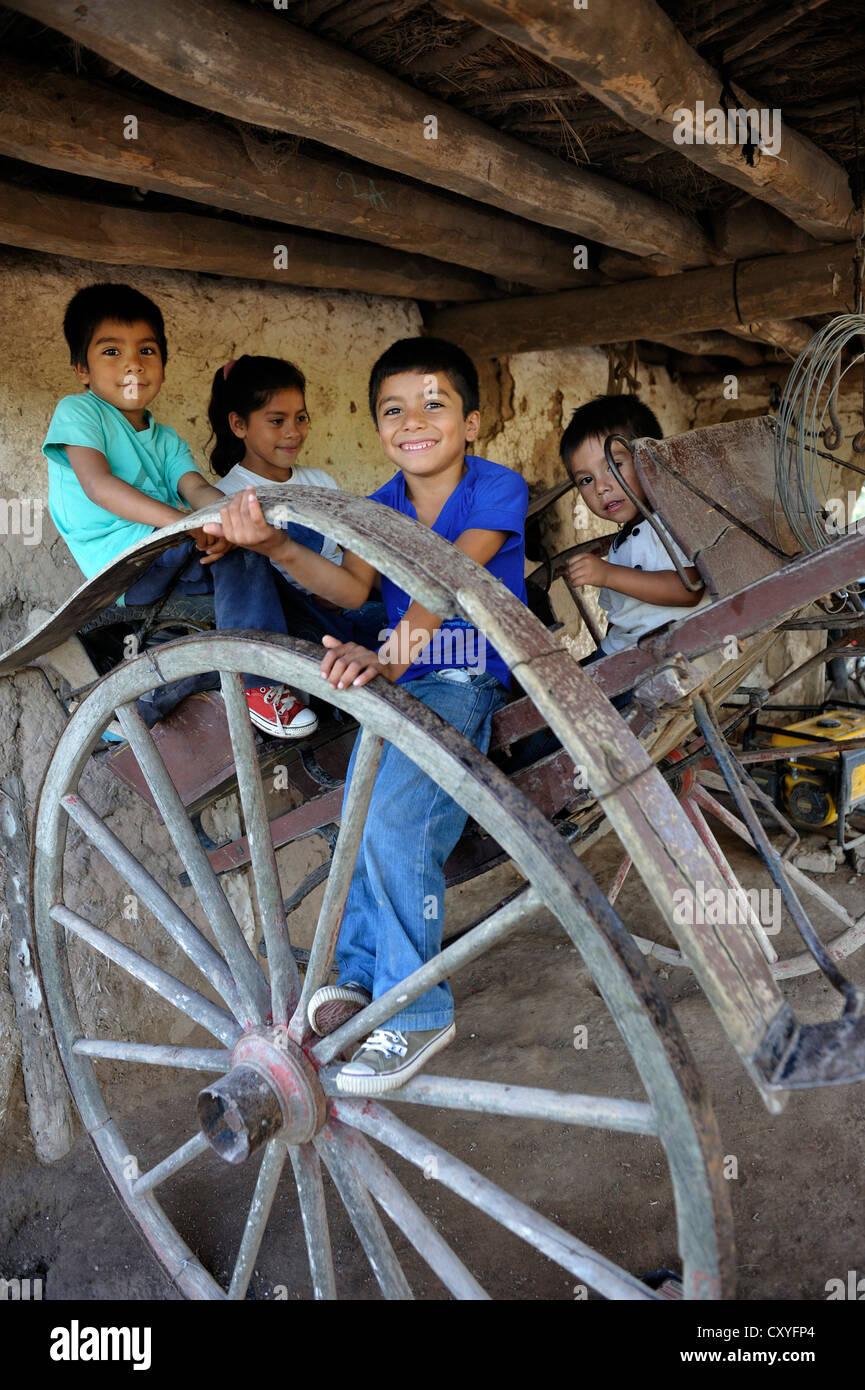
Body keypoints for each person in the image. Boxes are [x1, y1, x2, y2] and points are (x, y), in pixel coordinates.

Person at [206, 337, 529, 1093]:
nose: (412, 421)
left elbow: (448, 579)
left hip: (464, 675)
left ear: (471, 423)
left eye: (433, 405)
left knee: (393, 822)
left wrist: (387, 658)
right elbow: (351, 591)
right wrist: (276, 546)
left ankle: (417, 1013)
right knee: (359, 811)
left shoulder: (496, 487)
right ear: (378, 426)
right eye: (393, 410)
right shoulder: (376, 508)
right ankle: (358, 976)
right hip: (404, 681)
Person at [42, 283, 316, 738]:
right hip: (124, 566)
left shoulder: (166, 438)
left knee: (268, 552)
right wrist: (183, 524)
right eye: (111, 351)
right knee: (246, 557)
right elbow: (99, 486)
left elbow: (196, 487)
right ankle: (259, 685)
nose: (133, 363)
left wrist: (226, 519)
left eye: (146, 351)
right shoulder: (80, 412)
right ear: (82, 369)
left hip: (168, 552)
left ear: (163, 366)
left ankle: (319, 655)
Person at [208, 354, 386, 651]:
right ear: (239, 425)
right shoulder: (229, 496)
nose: (293, 432)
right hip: (297, 617)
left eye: (301, 418)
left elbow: (351, 554)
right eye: (277, 421)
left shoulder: (321, 482)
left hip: (350, 600)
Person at [561, 395, 710, 666]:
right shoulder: (622, 542)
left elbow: (689, 591)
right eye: (586, 479)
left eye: (614, 466)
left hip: (661, 658)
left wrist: (608, 574)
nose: (601, 487)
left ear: (649, 458)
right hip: (622, 654)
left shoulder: (670, 523)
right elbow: (621, 618)